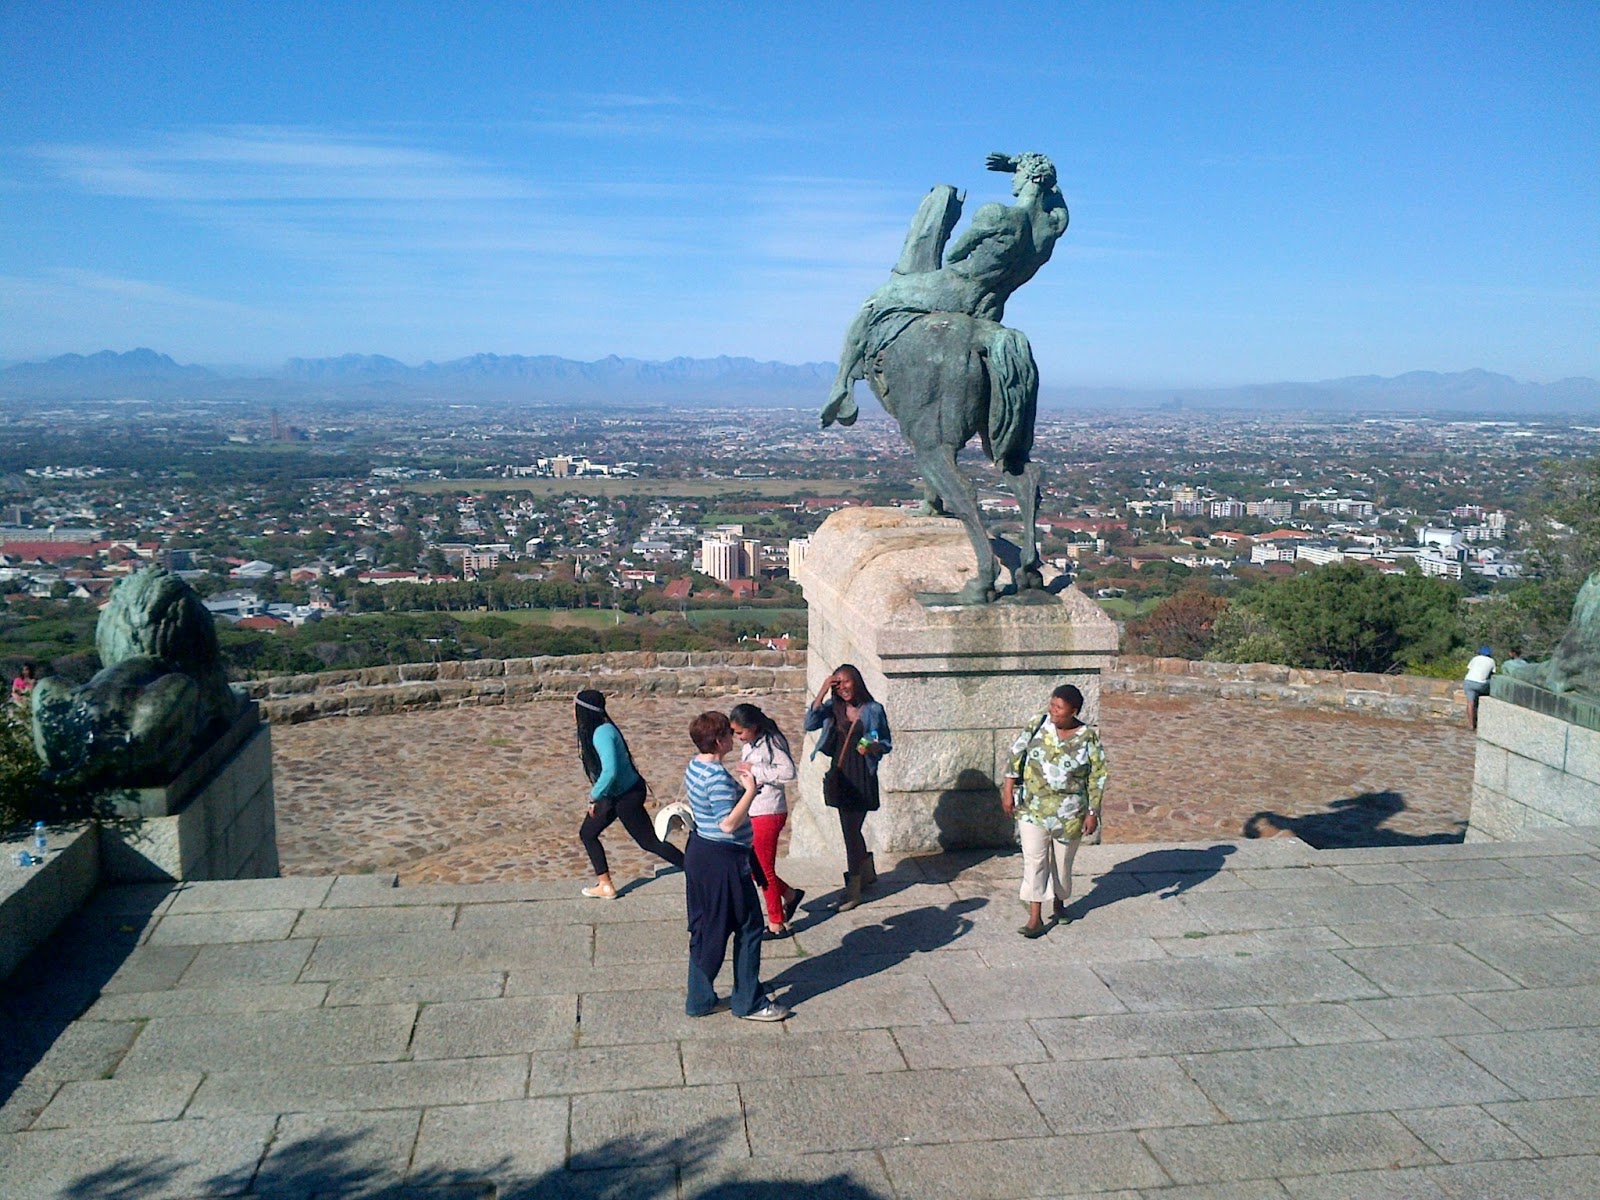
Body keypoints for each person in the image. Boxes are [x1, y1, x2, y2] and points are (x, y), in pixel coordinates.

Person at [821, 151, 1069, 427]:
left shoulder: (997, 214)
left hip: (956, 288)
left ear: (1029, 177)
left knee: (873, 303)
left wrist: (1016, 165)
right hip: (991, 303)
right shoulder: (1050, 227)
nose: (1014, 180)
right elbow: (1058, 202)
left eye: (1018, 175)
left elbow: (954, 255)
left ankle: (841, 386)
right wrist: (1037, 175)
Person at [682, 711, 790, 1022]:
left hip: (701, 853)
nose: (733, 737)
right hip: (724, 860)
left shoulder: (695, 765)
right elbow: (728, 824)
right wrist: (750, 790)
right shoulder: (715, 777)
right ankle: (749, 1002)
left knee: (706, 928)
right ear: (719, 741)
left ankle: (699, 999)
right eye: (728, 733)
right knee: (749, 927)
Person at [1001, 684, 1107, 938]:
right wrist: (1008, 791)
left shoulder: (1088, 737)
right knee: (1034, 861)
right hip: (1033, 809)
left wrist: (1093, 812)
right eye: (1052, 705)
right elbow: (1015, 756)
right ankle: (1035, 917)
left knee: (1061, 864)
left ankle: (1059, 903)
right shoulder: (1038, 724)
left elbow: (1097, 776)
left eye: (1059, 708)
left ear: (1074, 711)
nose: (1053, 711)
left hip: (1070, 813)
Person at [574, 689, 684, 900]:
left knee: (649, 842)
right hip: (614, 795)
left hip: (627, 796)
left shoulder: (602, 733)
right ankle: (605, 884)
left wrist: (594, 796)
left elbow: (611, 771)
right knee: (588, 833)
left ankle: (693, 866)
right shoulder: (599, 730)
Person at [804, 664, 892, 912]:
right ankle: (865, 872)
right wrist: (822, 691)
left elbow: (885, 742)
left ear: (857, 681)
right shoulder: (834, 708)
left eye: (846, 682)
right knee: (851, 830)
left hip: (863, 773)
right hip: (841, 774)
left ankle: (853, 888)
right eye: (837, 684)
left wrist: (873, 748)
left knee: (850, 831)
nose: (842, 688)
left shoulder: (873, 710)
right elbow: (809, 723)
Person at [729, 702, 803, 938]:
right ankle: (789, 895)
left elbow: (789, 772)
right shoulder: (752, 743)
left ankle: (776, 923)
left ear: (752, 727)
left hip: (769, 811)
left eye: (740, 732)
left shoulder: (772, 743)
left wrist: (756, 771)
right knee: (754, 867)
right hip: (754, 808)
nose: (737, 737)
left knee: (764, 869)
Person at [1463, 646, 1496, 731]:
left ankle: (1471, 725)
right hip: (1481, 684)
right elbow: (1491, 675)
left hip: (1468, 681)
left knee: (1470, 703)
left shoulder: (1475, 658)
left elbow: (1470, 668)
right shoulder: (1492, 661)